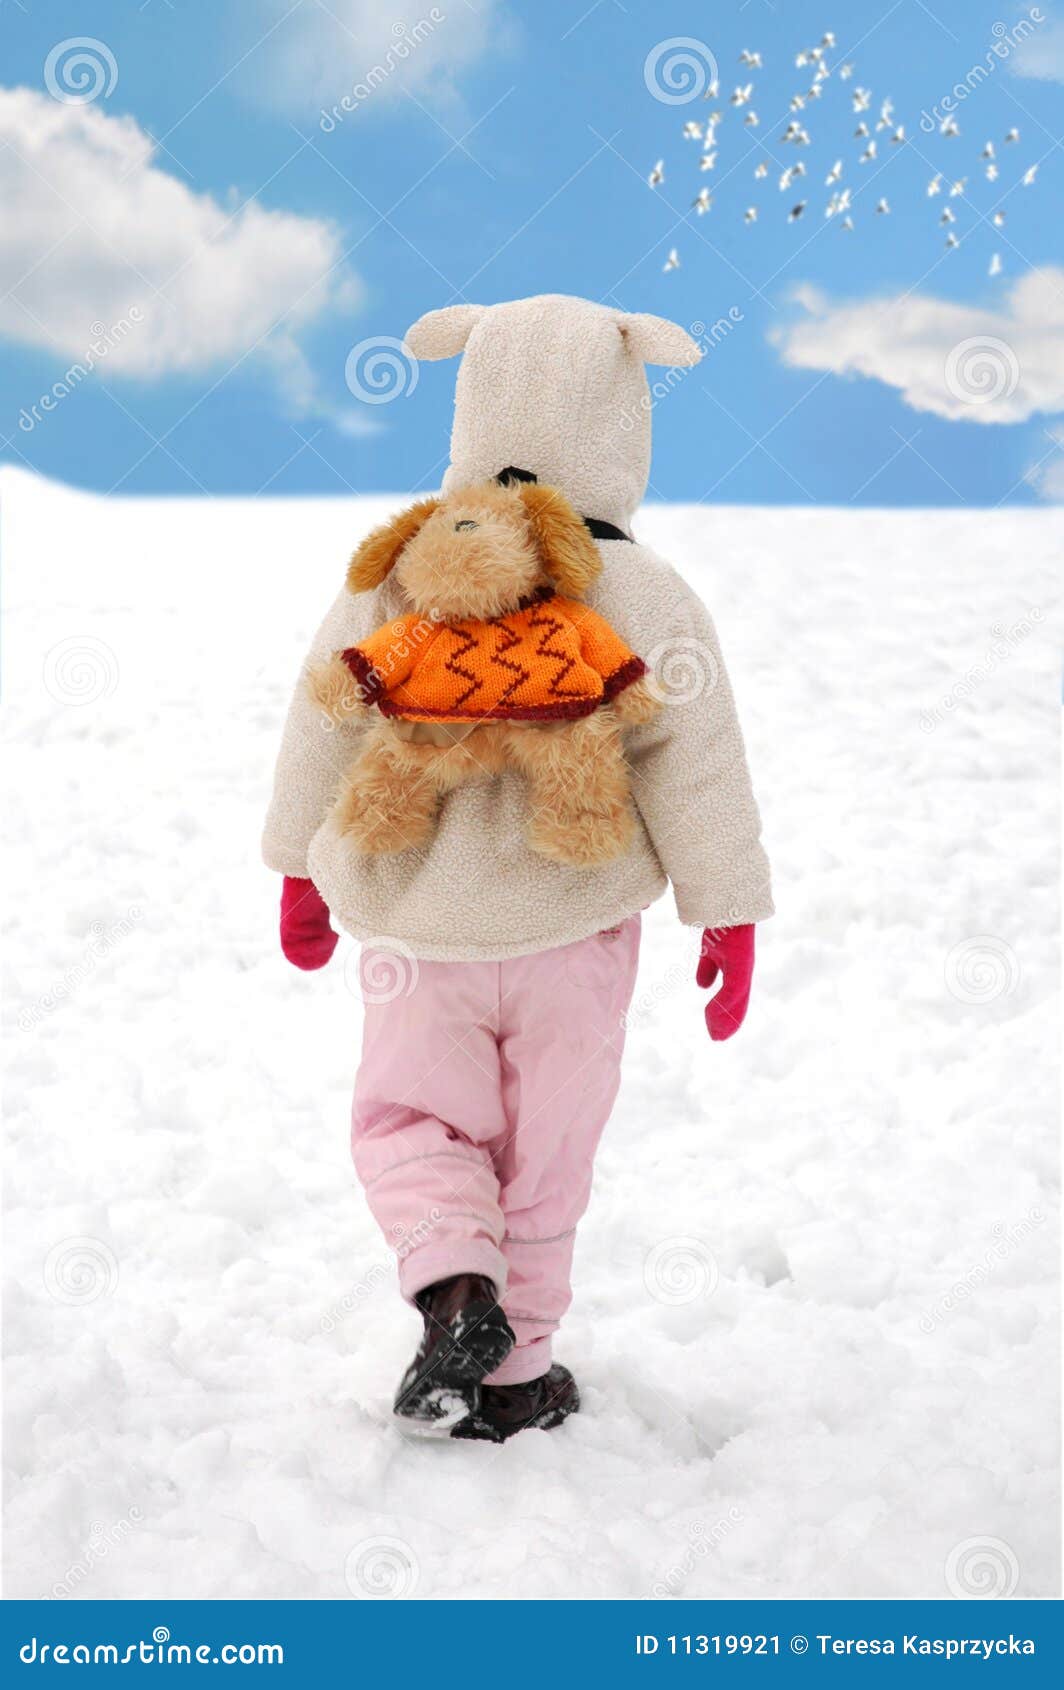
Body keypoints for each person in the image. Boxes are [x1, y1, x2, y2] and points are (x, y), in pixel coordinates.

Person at [263, 294, 773, 1442]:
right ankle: (516, 1377)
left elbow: (323, 716)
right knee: (545, 1154)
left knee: (411, 1119)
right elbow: (693, 758)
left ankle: (455, 1288)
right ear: (620, 418)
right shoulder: (642, 590)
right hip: (572, 934)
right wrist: (725, 909)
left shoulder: (403, 568)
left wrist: (298, 864)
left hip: (418, 938)